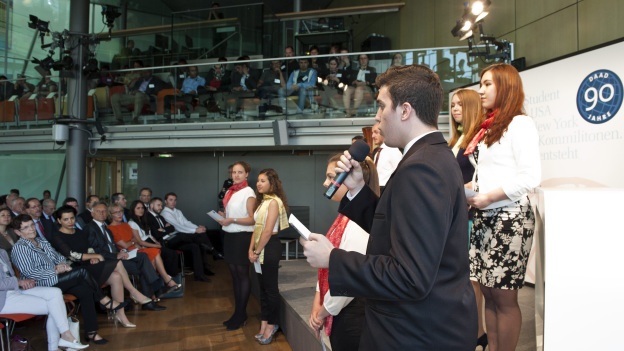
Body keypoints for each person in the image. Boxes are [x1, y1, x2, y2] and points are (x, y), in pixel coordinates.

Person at [301, 64, 477, 350]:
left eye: (382, 106)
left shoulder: (422, 168)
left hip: (415, 333)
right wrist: (358, 189)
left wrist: (333, 259)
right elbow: (398, 229)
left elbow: (410, 276)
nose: (377, 117)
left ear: (405, 110)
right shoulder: (429, 156)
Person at [465, 63, 541, 351]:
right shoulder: (489, 126)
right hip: (484, 216)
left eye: (487, 84)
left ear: (505, 87)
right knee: (486, 291)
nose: (480, 90)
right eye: (480, 84)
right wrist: (474, 192)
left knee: (504, 296)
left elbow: (530, 177)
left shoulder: (520, 124)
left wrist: (489, 197)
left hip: (511, 218)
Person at [11, 214, 127, 344]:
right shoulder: (20, 248)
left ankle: (91, 332)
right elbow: (30, 273)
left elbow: (58, 256)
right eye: (26, 228)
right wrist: (54, 270)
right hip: (42, 284)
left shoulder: (42, 241)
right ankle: (103, 299)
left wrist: (61, 264)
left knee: (85, 290)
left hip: (57, 277)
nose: (31, 229)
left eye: (32, 225)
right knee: (82, 271)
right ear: (17, 232)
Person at [308, 154, 379, 350]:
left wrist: (323, 311)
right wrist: (318, 301)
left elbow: (350, 276)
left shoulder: (358, 224)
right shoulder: (344, 218)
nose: (325, 183)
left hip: (352, 312)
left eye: (331, 177)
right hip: (339, 307)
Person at [50, 206, 151, 328]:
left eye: (72, 218)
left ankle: (121, 315)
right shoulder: (56, 236)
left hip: (89, 265)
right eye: (66, 219)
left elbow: (89, 248)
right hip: (76, 271)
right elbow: (71, 255)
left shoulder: (79, 232)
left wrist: (93, 256)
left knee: (116, 276)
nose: (70, 222)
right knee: (117, 263)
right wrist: (95, 256)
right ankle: (133, 291)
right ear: (59, 221)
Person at [449, 88, 486, 348]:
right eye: (452, 105)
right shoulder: (455, 141)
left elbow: (480, 180)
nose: (455, 109)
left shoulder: (479, 140)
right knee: (462, 280)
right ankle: (474, 332)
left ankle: (475, 334)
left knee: (472, 281)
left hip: (472, 215)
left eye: (460, 104)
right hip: (456, 217)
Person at [0, 248, 89, 351]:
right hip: (3, 298)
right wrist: (19, 282)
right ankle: (56, 345)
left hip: (14, 290)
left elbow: (9, 276)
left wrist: (23, 282)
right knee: (54, 306)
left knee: (55, 293)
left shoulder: (2, 252)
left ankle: (64, 336)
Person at [86, 202, 166, 311]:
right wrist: (117, 255)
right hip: (107, 261)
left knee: (143, 256)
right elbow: (96, 251)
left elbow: (113, 246)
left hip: (118, 255)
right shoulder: (90, 228)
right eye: (98, 211)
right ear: (92, 214)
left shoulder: (106, 228)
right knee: (144, 265)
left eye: (104, 211)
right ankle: (154, 290)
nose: (102, 213)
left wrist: (121, 252)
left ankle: (151, 295)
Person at [249, 169, 289, 345]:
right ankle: (264, 322)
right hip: (259, 247)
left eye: (263, 181)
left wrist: (256, 252)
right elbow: (255, 228)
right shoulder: (262, 202)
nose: (258, 184)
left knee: (271, 290)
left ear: (272, 183)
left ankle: (272, 324)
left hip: (269, 247)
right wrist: (250, 249)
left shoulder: (273, 202)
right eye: (258, 181)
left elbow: (267, 231)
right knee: (263, 289)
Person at [215, 161, 256, 331]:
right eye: (234, 172)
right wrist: (225, 216)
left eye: (240, 172)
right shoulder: (231, 192)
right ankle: (238, 313)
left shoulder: (249, 192)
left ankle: (240, 314)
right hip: (230, 236)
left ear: (247, 174)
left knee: (242, 276)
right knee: (235, 277)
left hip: (242, 237)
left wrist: (231, 219)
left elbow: (253, 219)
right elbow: (236, 215)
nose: (236, 175)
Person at [108, 202, 181, 294]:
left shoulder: (125, 225)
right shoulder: (110, 228)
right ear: (110, 215)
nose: (119, 214)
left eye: (121, 211)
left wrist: (133, 242)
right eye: (116, 212)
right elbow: (126, 245)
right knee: (153, 254)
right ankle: (162, 284)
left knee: (154, 253)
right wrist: (134, 243)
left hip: (135, 249)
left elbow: (134, 239)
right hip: (127, 252)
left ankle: (157, 288)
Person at [145, 197, 212, 283]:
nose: (161, 207)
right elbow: (156, 234)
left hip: (173, 239)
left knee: (194, 246)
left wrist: (165, 230)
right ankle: (208, 246)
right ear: (151, 205)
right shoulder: (148, 217)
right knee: (182, 235)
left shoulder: (160, 216)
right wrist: (166, 229)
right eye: (158, 205)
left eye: (161, 205)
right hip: (165, 242)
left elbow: (172, 228)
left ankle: (199, 276)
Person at [371, 122, 402, 193]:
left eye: (376, 132)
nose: (372, 136)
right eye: (372, 133)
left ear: (384, 132)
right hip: (376, 189)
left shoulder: (393, 150)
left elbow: (400, 174)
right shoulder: (378, 152)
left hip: (387, 189)